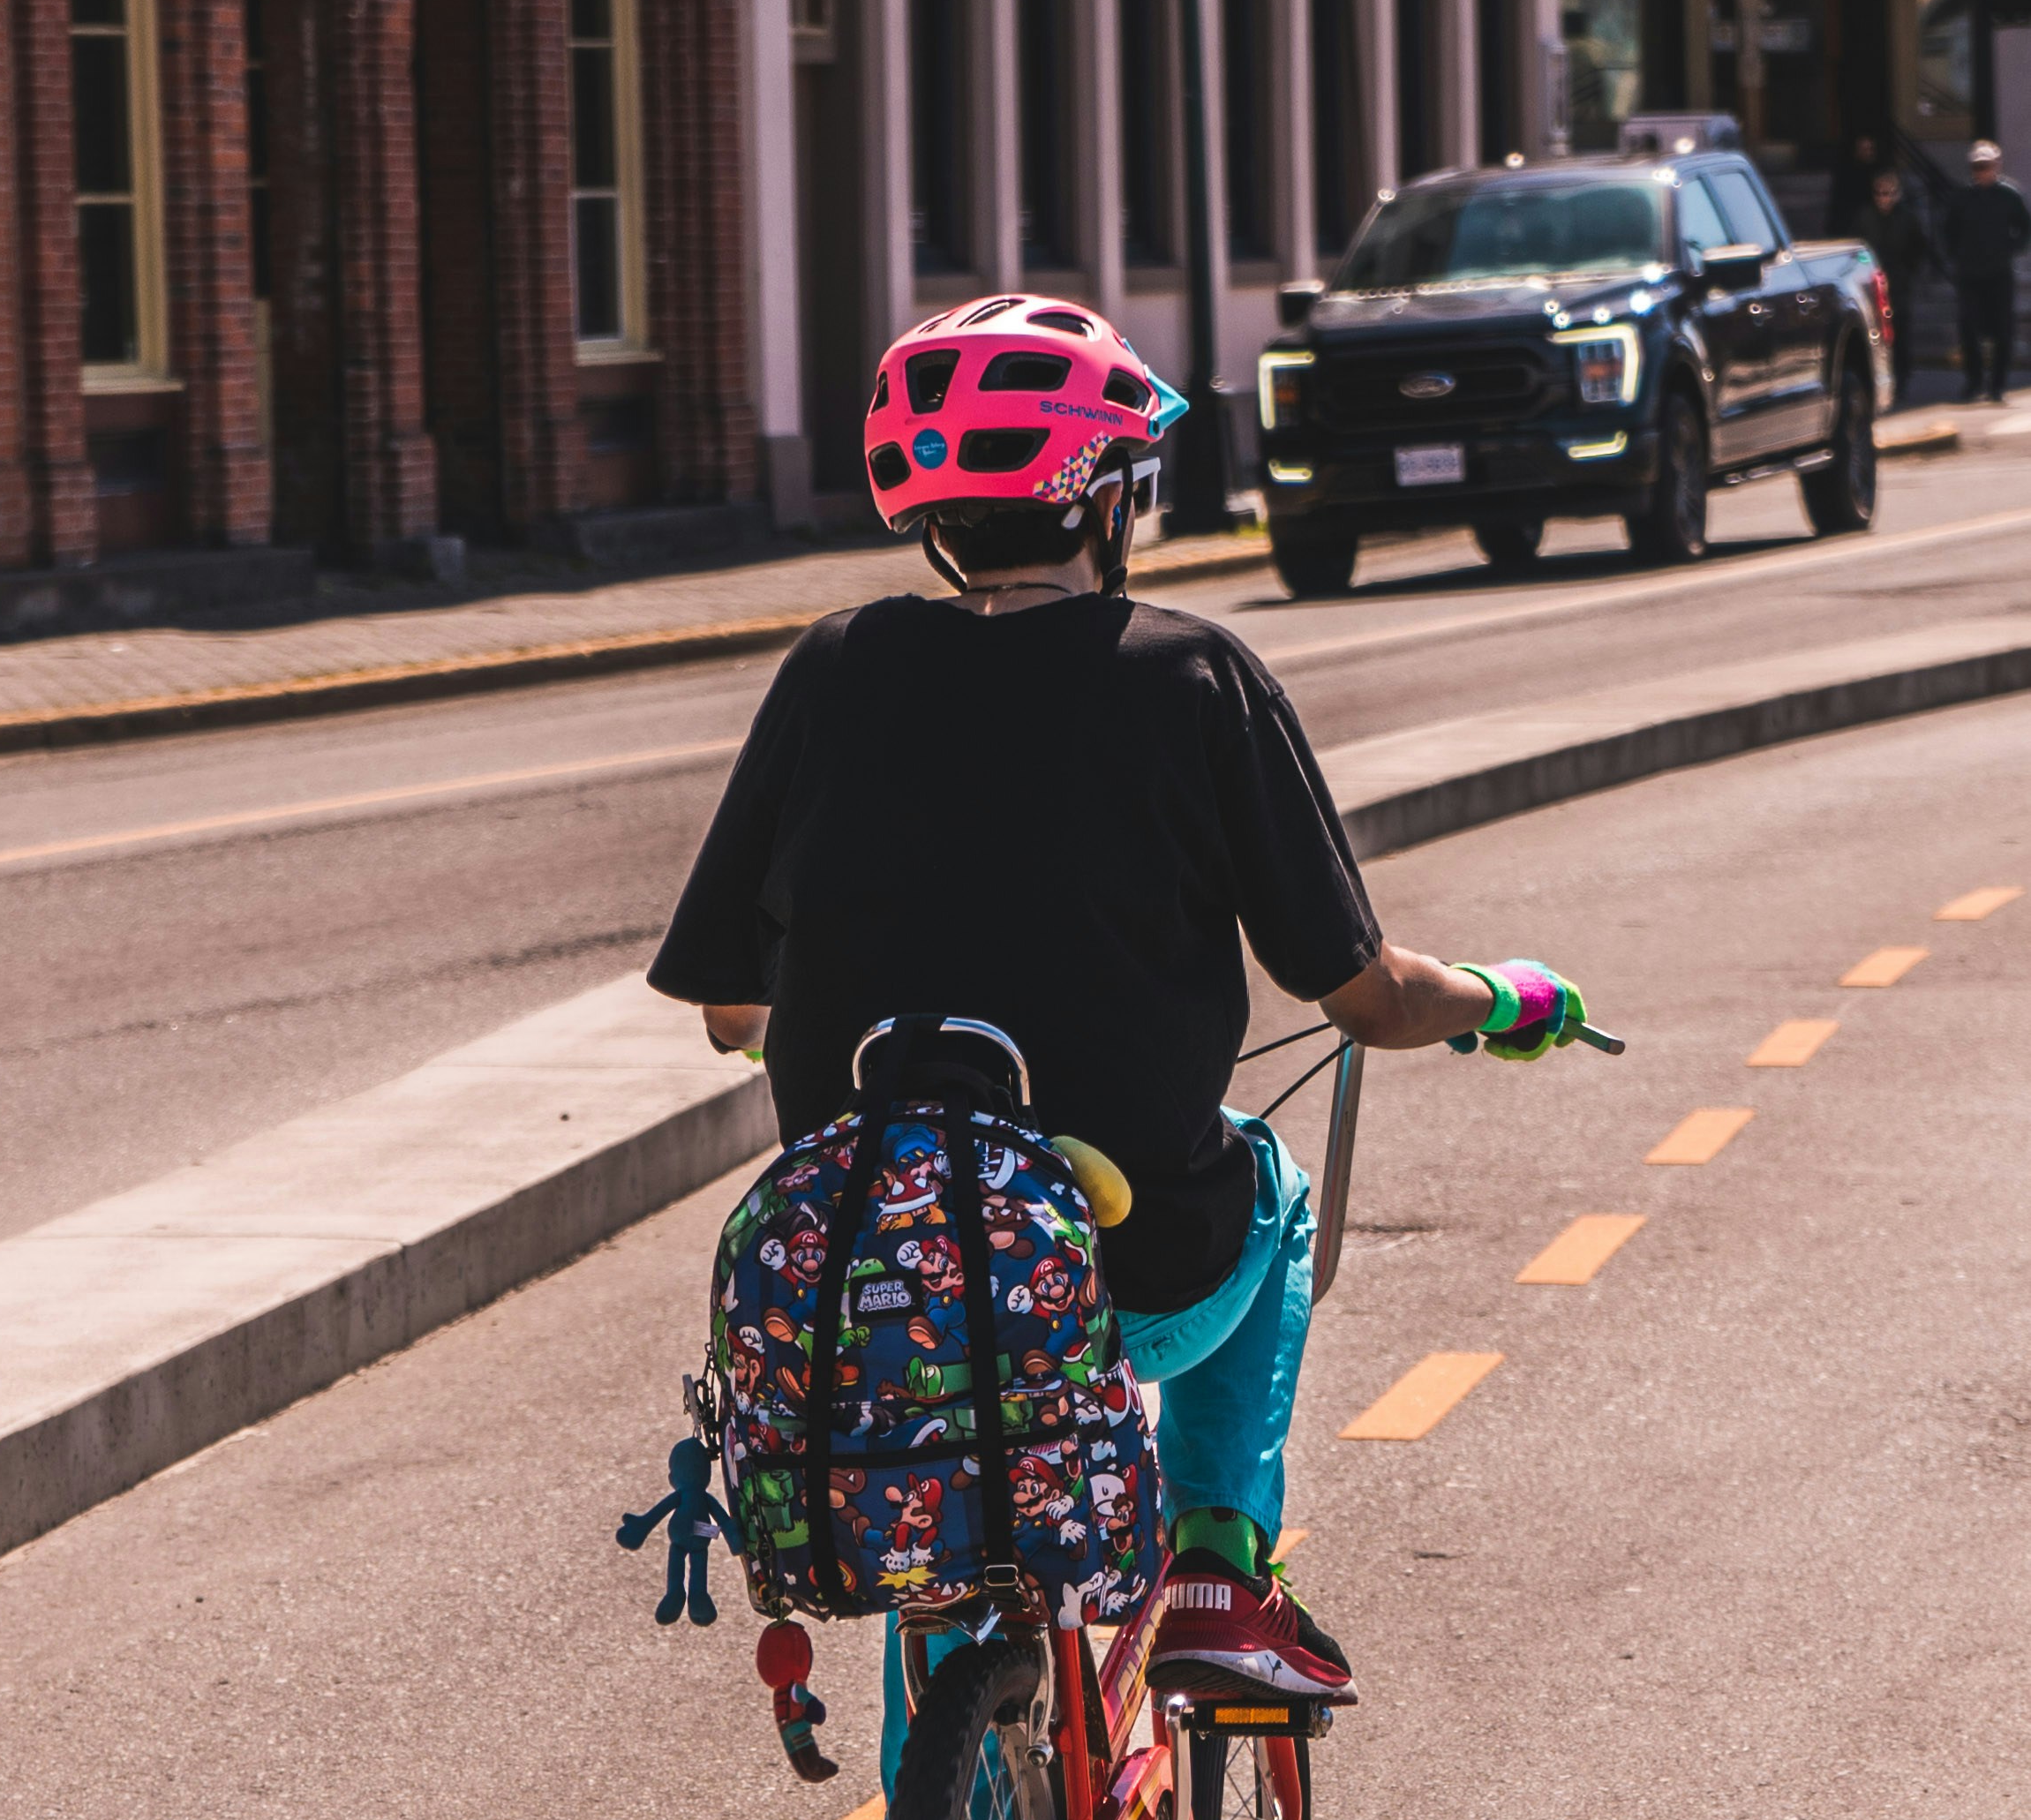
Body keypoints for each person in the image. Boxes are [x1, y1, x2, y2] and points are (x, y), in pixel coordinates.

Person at [649, 298, 1596, 1732]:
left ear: (931, 514)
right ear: (1110, 494)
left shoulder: (831, 670)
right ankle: (1222, 1562)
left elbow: (731, 1006)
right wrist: (1508, 997)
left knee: (945, 1579)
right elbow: (1366, 992)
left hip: (878, 1287)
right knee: (1268, 1188)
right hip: (1119, 1261)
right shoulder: (1193, 675)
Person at [1844, 147, 1930, 412]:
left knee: (1901, 335)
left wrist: (1908, 273)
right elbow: (1856, 249)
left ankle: (1902, 380)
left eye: (1889, 193)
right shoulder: (1864, 218)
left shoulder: (1907, 218)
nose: (1885, 198)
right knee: (1877, 336)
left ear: (1897, 193)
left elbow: (1919, 248)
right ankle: (1882, 382)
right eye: (1880, 193)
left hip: (1899, 283)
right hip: (1873, 284)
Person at [1945, 139, 2031, 404]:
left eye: (1986, 166)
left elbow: (2025, 228)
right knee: (1970, 328)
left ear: (1996, 166)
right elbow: (1948, 230)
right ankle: (1974, 383)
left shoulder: (2009, 195)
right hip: (1970, 274)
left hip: (1999, 273)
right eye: (1977, 167)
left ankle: (1997, 386)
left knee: (2003, 331)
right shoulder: (1962, 198)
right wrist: (1957, 255)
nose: (1981, 172)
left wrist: (2011, 248)